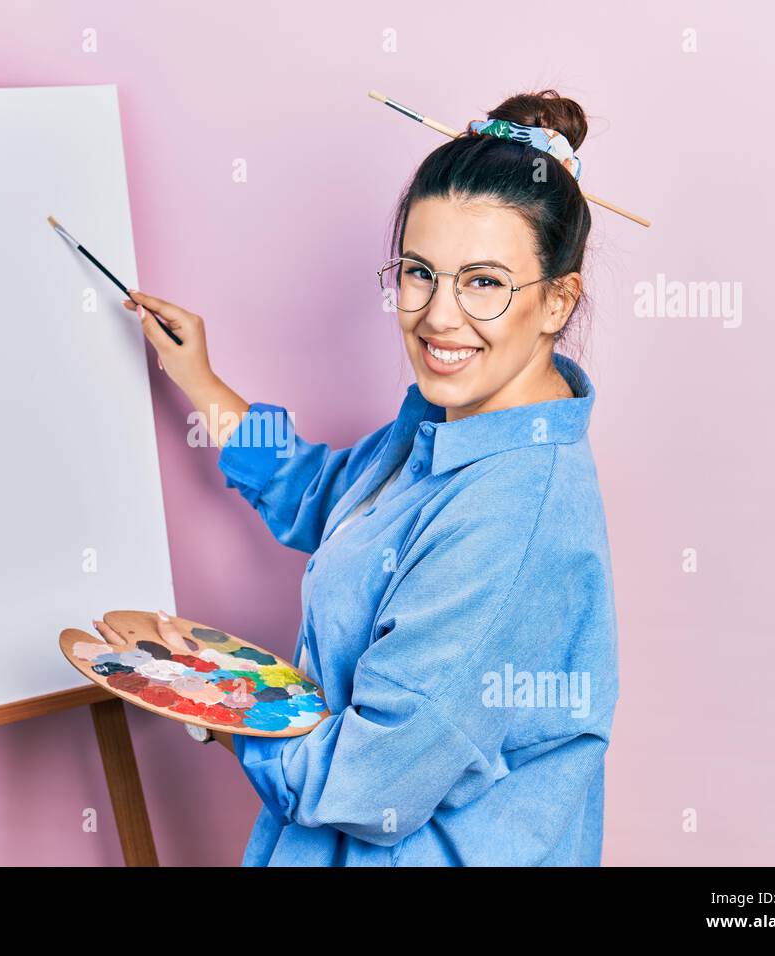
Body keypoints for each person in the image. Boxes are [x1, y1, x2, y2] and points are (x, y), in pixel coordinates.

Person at [96, 89, 620, 866]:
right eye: (419, 273)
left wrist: (216, 695)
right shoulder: (450, 427)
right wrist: (202, 383)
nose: (439, 317)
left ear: (556, 302)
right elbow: (328, 493)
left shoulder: (510, 514)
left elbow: (370, 781)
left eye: (483, 282)